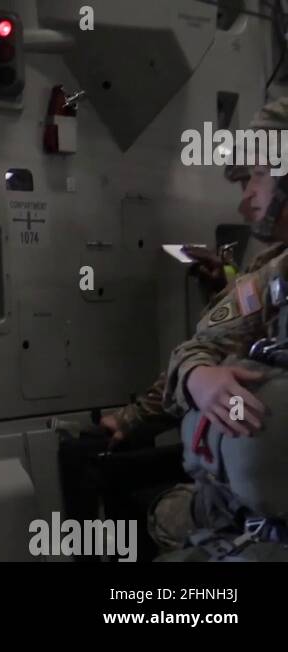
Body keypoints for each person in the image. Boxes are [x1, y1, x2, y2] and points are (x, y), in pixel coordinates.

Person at [150, 97, 288, 558]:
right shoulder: (276, 275)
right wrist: (200, 378)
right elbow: (198, 347)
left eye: (259, 176)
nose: (248, 195)